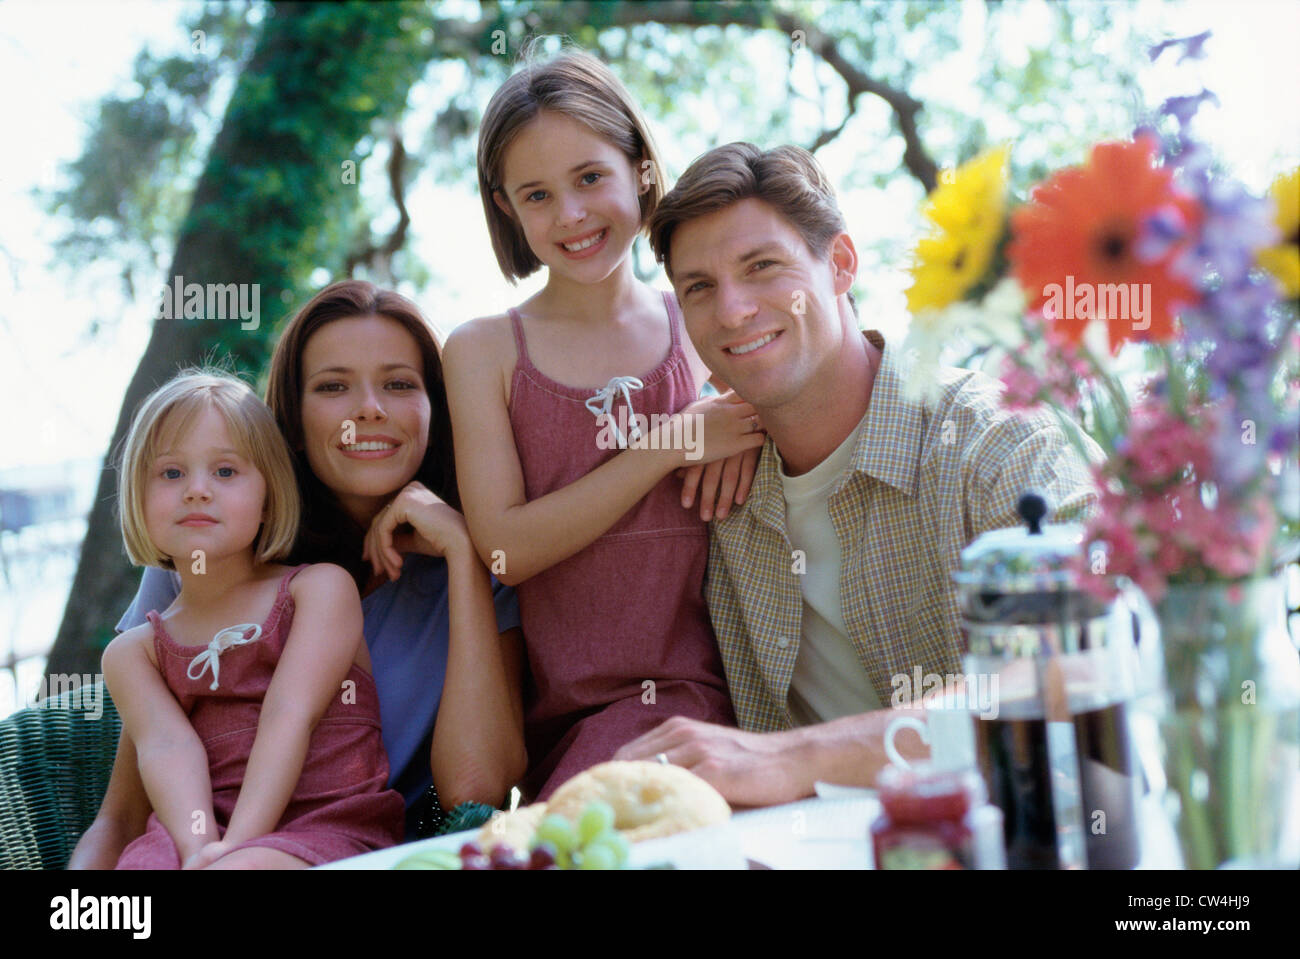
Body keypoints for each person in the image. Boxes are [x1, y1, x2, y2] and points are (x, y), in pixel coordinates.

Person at [614, 142, 1100, 805]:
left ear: (840, 264)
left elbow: (1075, 667)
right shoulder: (712, 483)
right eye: (699, 287)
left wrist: (790, 757)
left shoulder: (1001, 442)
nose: (732, 310)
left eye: (762, 267)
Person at [70, 281, 525, 868]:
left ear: (437, 407)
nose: (370, 408)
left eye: (399, 383)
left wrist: (463, 553)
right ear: (290, 420)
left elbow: (475, 791)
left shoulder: (482, 572)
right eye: (333, 386)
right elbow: (126, 811)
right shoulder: (204, 557)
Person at [443, 50, 766, 800]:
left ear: (640, 168)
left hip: (712, 697)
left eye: (591, 177)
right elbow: (503, 548)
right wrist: (670, 443)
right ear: (506, 208)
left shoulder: (699, 318)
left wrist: (739, 428)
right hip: (565, 722)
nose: (572, 215)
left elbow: (800, 393)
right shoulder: (484, 349)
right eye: (538, 195)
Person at [104, 369, 406, 868]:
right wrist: (201, 847)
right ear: (138, 497)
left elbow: (290, 713)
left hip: (326, 828)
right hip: (193, 835)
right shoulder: (133, 654)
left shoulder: (319, 590)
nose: (196, 490)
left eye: (225, 472)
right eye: (171, 473)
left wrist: (235, 845)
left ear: (268, 498)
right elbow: (167, 749)